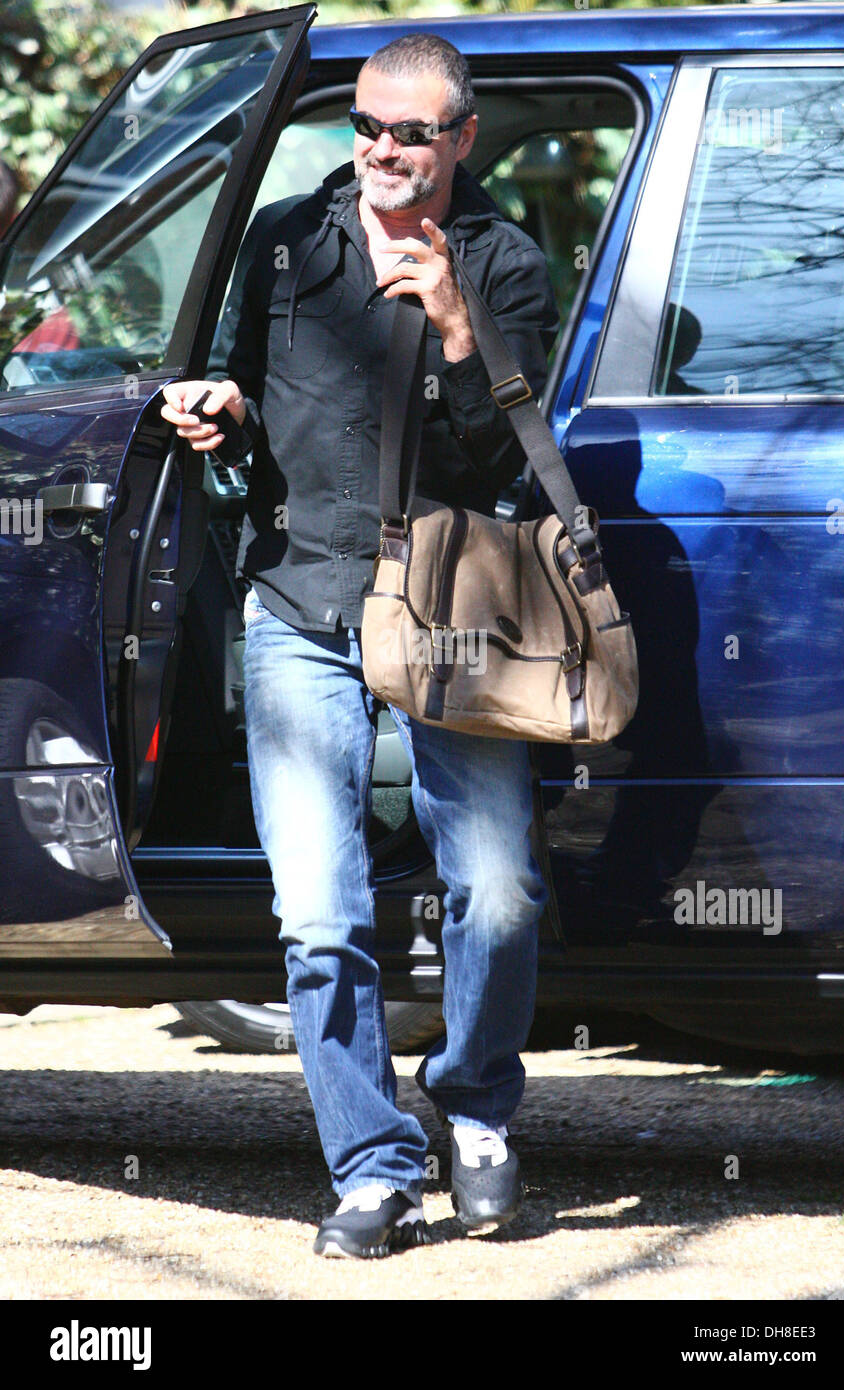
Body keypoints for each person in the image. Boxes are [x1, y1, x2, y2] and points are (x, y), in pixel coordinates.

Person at [161, 33, 560, 1259]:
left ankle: (476, 1105)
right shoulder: (288, 236)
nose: (384, 151)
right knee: (319, 917)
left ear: (462, 140)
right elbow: (239, 377)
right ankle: (372, 1163)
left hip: (449, 619)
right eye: (367, 127)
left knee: (494, 896)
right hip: (299, 606)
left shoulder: (503, 263)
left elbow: (514, 465)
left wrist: (452, 326)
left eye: (413, 133)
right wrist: (219, 407)